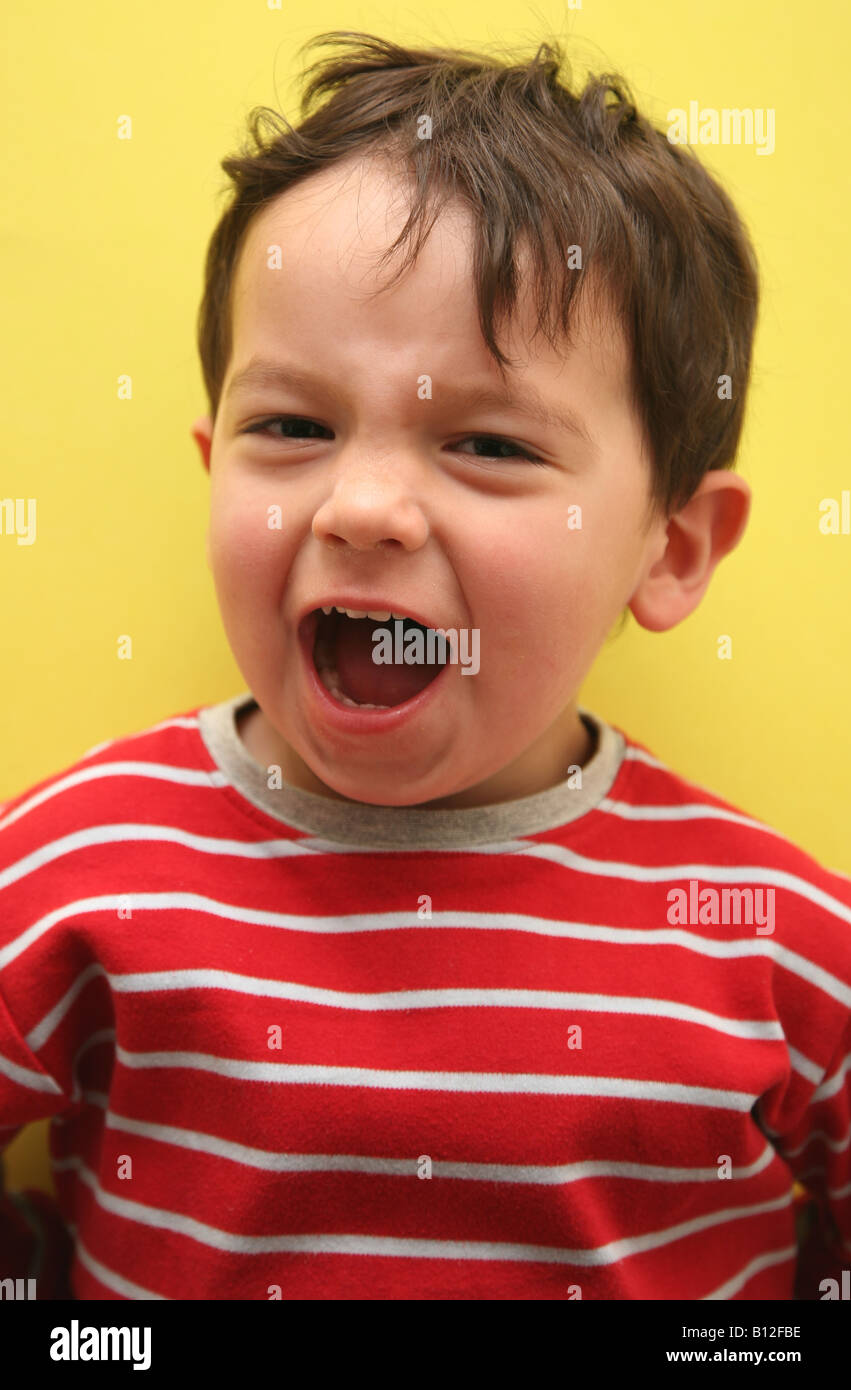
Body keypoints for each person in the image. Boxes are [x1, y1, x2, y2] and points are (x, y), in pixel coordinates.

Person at [1, 30, 848, 1301]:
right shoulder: (75, 868)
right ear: (212, 464)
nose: (363, 507)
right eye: (290, 426)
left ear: (669, 548)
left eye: (488, 444)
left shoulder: (768, 936)